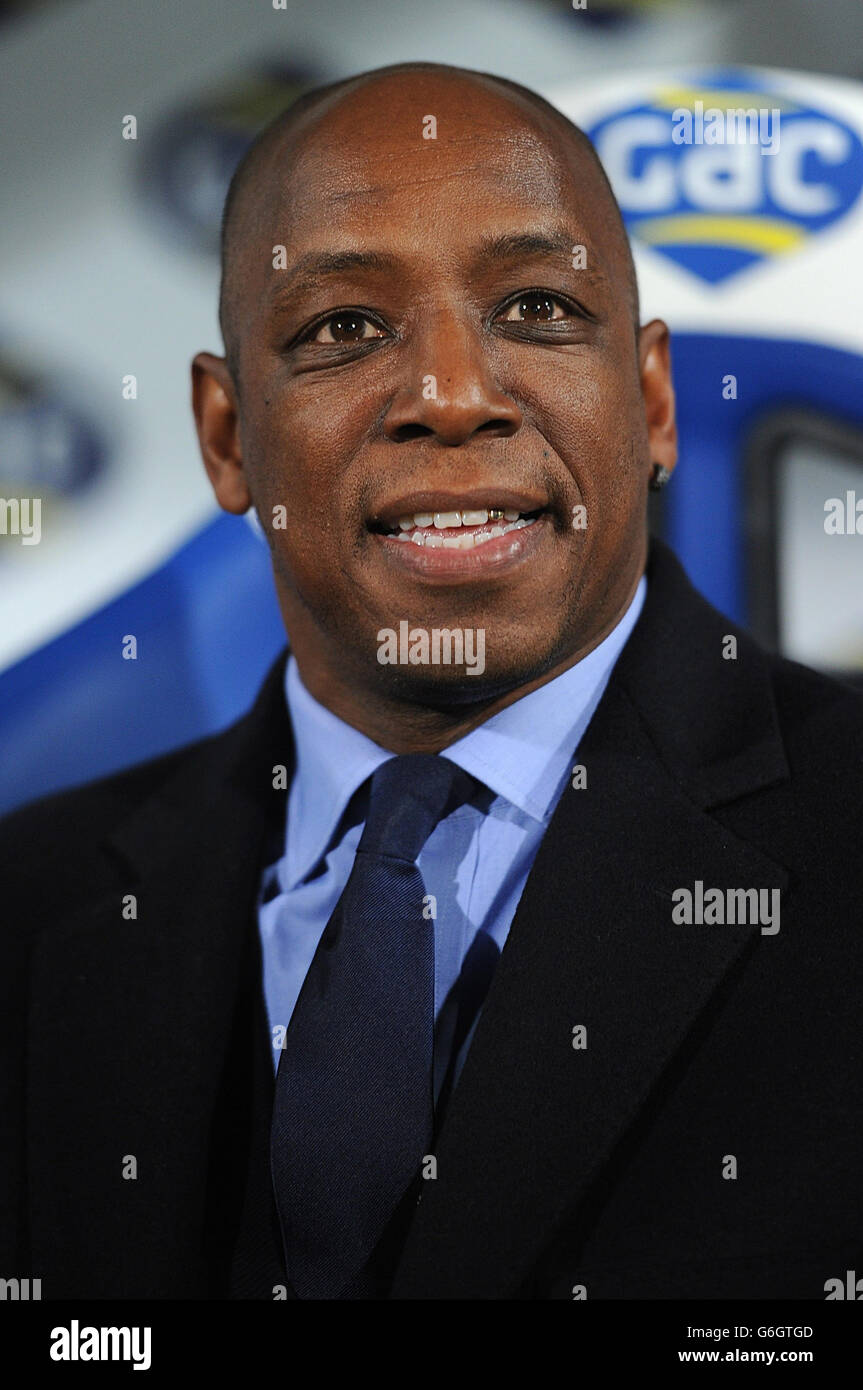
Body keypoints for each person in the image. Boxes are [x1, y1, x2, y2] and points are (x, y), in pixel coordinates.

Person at [2, 62, 862, 1302]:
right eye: (343, 328)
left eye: (533, 308)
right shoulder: (26, 909)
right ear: (228, 436)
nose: (452, 396)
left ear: (652, 396)